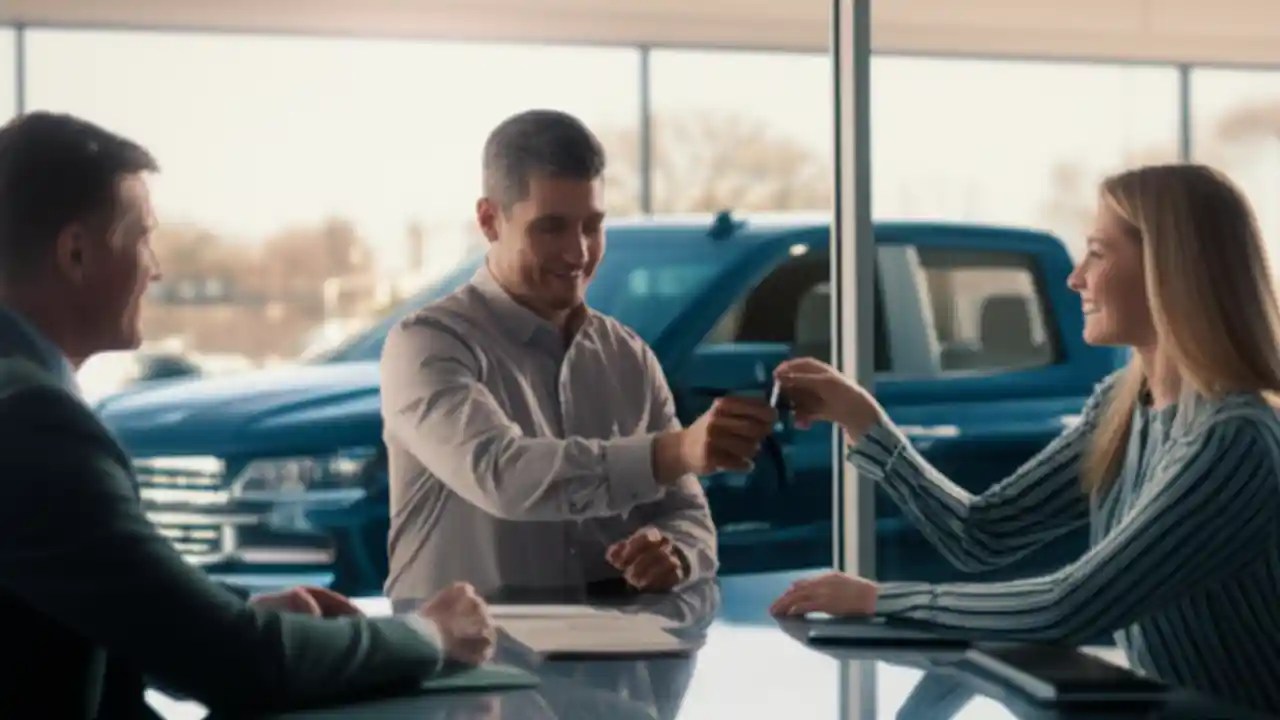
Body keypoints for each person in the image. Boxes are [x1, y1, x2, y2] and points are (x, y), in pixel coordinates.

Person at [0, 112, 496, 719]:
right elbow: (235, 660)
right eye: (141, 238)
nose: (154, 268)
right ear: (75, 253)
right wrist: (431, 637)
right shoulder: (33, 426)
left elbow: (124, 606)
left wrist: (239, 612)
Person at [770, 163, 1280, 714]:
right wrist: (866, 425)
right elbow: (982, 535)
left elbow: (1071, 606)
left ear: (1169, 269)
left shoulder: (1235, 441)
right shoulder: (1122, 405)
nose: (1075, 277)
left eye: (1098, 253)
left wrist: (878, 599)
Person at [380, 109, 776, 605]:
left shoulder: (629, 357)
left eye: (592, 225)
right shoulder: (427, 345)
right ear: (489, 220)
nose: (579, 252)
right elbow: (503, 474)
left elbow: (689, 519)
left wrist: (675, 553)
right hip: (463, 671)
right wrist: (672, 452)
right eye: (551, 228)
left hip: (610, 667)